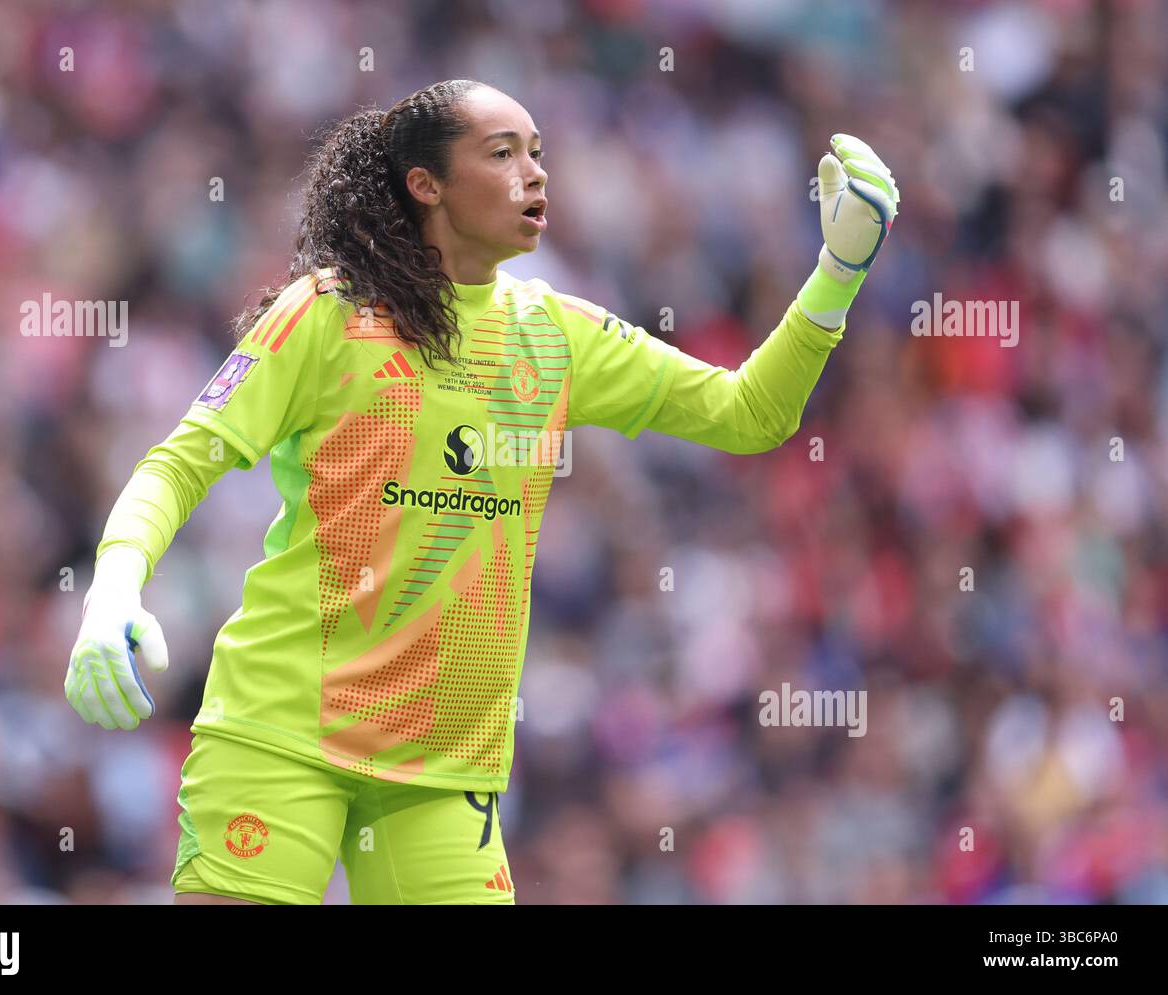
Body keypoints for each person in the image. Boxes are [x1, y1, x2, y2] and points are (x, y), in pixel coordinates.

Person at [64, 78, 900, 905]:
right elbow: (178, 463)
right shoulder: (325, 314)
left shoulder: (558, 334)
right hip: (283, 732)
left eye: (538, 154)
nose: (535, 174)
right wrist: (112, 590)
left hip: (442, 770)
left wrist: (838, 269)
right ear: (425, 185)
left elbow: (749, 413)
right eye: (502, 154)